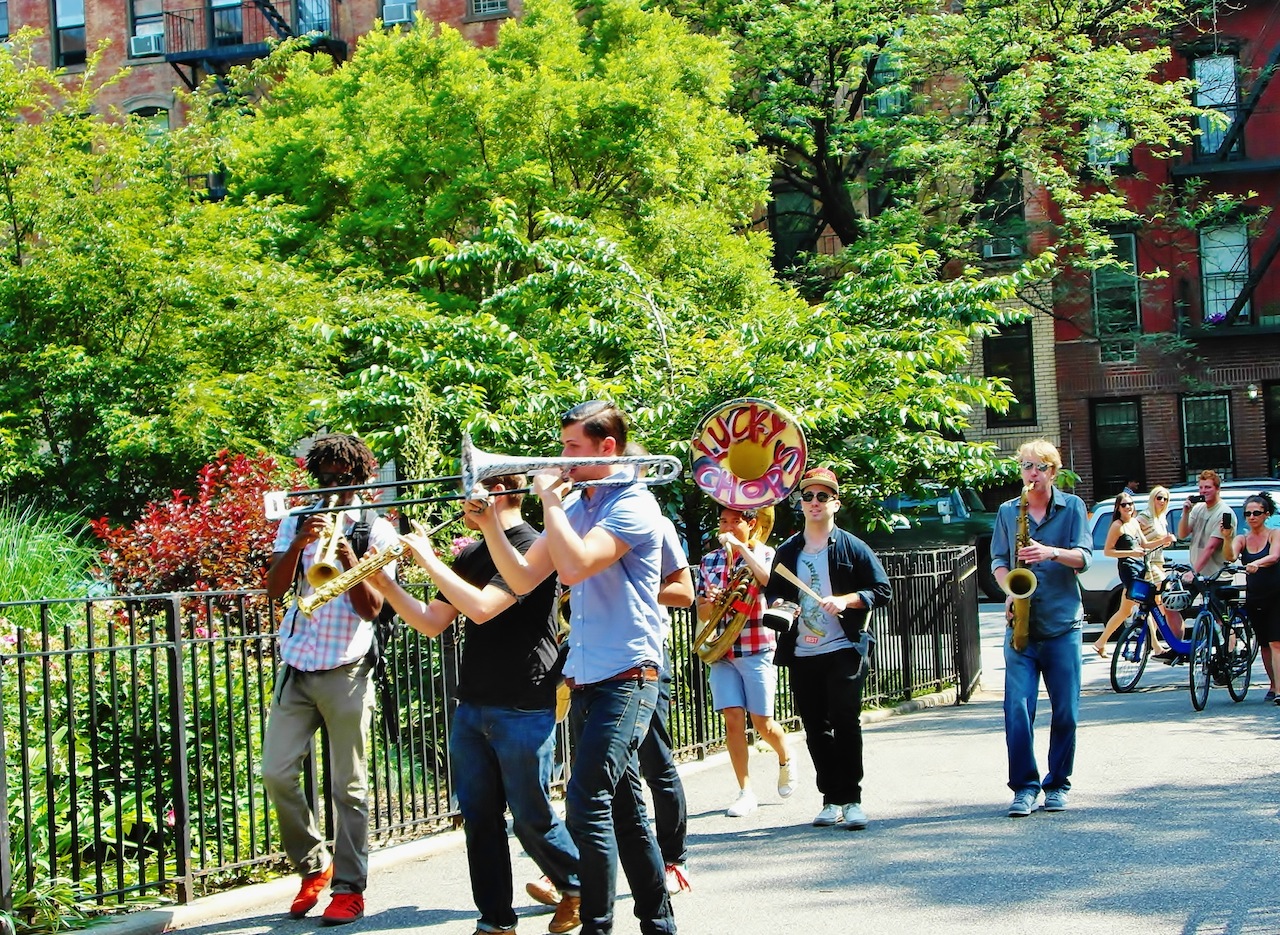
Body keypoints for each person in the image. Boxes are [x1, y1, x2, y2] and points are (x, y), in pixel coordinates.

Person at [470, 400, 675, 935]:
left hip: (630, 675)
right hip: (586, 678)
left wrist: (549, 504)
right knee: (626, 813)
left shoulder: (635, 506)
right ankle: (658, 922)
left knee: (586, 804)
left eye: (571, 448)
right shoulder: (579, 506)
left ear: (607, 448)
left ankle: (597, 925)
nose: (560, 458)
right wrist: (492, 524)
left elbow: (578, 566)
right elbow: (521, 580)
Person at [367, 473, 582, 935]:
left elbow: (484, 607)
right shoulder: (470, 553)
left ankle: (578, 885)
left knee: (530, 815)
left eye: (476, 487)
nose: (466, 497)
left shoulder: (535, 544)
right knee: (479, 820)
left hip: (523, 698)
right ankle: (495, 922)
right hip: (473, 702)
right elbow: (432, 621)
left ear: (501, 493)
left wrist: (426, 558)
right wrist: (387, 588)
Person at [262, 434, 399, 925]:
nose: (334, 486)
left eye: (344, 478)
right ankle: (312, 865)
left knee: (351, 787)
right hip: (298, 666)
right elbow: (274, 590)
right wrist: (299, 543)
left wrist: (349, 561)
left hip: (347, 667)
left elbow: (373, 609)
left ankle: (349, 888)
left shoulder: (377, 532)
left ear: (361, 479)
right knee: (275, 773)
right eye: (326, 477)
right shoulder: (297, 520)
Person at [764, 466, 892, 831]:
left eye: (823, 496)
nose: (814, 502)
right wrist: (781, 607)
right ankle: (830, 798)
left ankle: (852, 799)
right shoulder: (790, 550)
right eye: (808, 496)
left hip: (843, 647)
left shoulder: (852, 546)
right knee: (816, 727)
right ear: (800, 503)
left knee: (844, 721)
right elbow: (774, 591)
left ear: (835, 502)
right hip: (803, 651)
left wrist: (847, 599)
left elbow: (881, 590)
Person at [990, 441, 1091, 818]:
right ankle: (1024, 787)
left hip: (1063, 623)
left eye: (1040, 467)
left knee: (1066, 711)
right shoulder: (1007, 511)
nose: (1033, 474)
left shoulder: (1073, 508)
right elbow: (1000, 559)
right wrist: (1008, 589)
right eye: (1026, 466)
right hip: (1022, 623)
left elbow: (1084, 557)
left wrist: (1050, 552)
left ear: (1054, 471)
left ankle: (1058, 784)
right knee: (1017, 709)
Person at [696, 505, 794, 819]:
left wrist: (742, 549)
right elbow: (701, 612)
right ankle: (745, 790)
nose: (725, 527)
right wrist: (709, 602)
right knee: (733, 719)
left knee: (763, 724)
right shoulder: (709, 561)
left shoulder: (766, 554)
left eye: (733, 522)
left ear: (751, 524)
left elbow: (767, 581)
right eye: (722, 521)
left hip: (756, 647)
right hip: (723, 652)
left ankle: (784, 756)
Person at [1091, 492, 1161, 658]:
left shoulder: (1134, 523)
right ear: (1118, 508)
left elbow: (1145, 545)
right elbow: (1108, 551)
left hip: (1140, 568)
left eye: (1130, 504)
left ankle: (1100, 643)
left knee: (1124, 611)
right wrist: (1130, 553)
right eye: (1124, 505)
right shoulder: (1117, 526)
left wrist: (1164, 540)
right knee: (1144, 605)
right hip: (1129, 570)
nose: (1128, 507)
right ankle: (1156, 646)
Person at [1225, 493, 1280, 704]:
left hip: (1276, 594)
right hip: (1255, 597)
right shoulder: (1243, 539)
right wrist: (1227, 537)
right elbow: (1230, 556)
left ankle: (1279, 692)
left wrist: (1258, 563)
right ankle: (1273, 684)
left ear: (1266, 514)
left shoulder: (1274, 534)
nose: (1251, 517)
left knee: (1276, 642)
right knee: (1265, 644)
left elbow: (1275, 556)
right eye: (1248, 513)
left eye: (1256, 513)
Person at [1177, 469, 1235, 581]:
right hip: (1197, 573)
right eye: (1201, 488)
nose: (1203, 491)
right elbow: (1182, 534)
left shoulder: (1224, 512)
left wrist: (1193, 571)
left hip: (1216, 576)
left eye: (1208, 487)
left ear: (1218, 489)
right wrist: (1185, 512)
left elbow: (1211, 547)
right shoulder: (1198, 508)